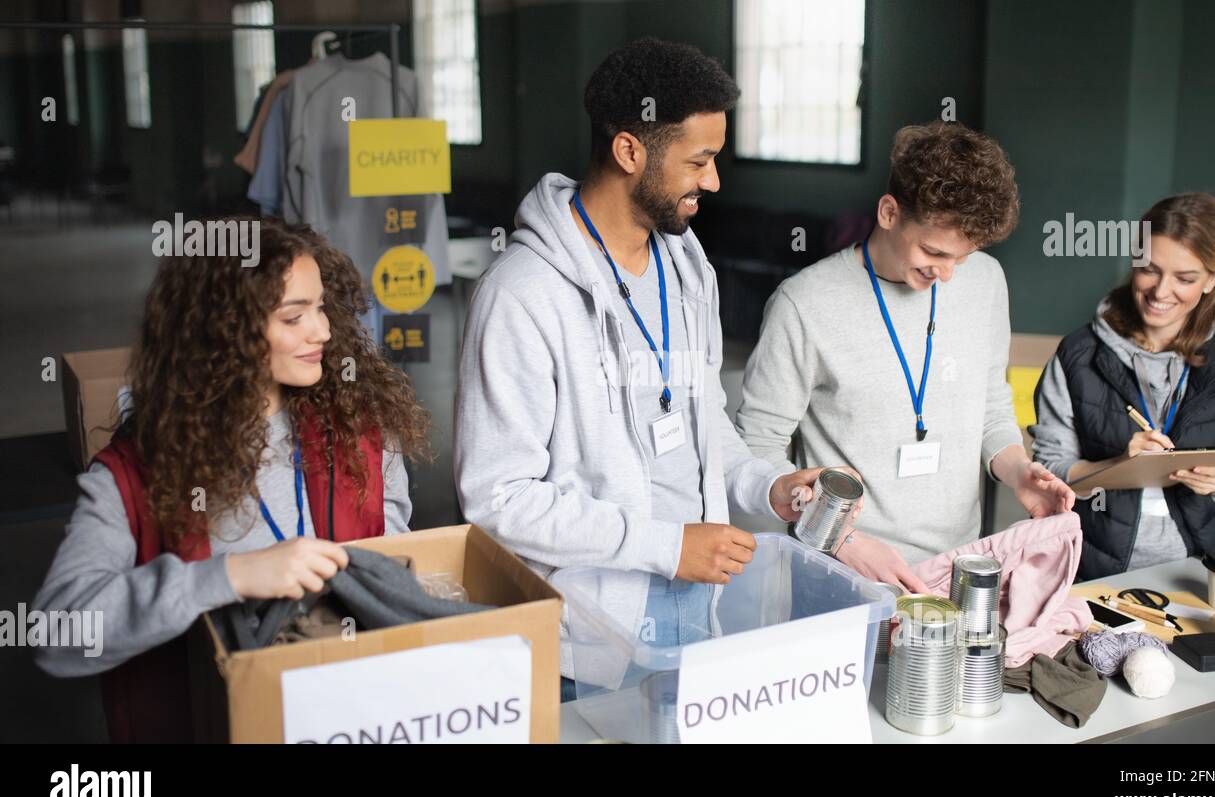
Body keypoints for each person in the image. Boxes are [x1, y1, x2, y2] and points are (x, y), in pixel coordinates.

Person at [454, 38, 840, 699]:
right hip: (587, 638)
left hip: (697, 609)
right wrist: (667, 545)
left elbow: (700, 422)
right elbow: (498, 499)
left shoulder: (689, 268)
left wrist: (766, 487)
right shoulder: (522, 294)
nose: (714, 182)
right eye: (699, 161)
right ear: (630, 150)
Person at [32, 219, 432, 741]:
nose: (324, 331)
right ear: (224, 332)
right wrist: (231, 576)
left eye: (321, 308)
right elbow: (57, 634)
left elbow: (396, 565)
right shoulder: (130, 479)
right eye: (294, 317)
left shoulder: (360, 431)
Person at [737, 121, 1074, 591]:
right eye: (933, 251)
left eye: (964, 256)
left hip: (958, 569)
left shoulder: (986, 280)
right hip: (841, 571)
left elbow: (991, 405)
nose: (949, 274)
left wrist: (1017, 472)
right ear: (889, 212)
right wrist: (842, 539)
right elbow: (756, 446)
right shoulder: (804, 303)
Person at [1032, 192, 1215, 579]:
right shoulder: (1076, 354)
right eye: (1149, 269)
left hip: (1206, 564)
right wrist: (1117, 466)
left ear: (1212, 278)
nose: (1161, 292)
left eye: (1185, 278)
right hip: (1093, 563)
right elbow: (1049, 465)